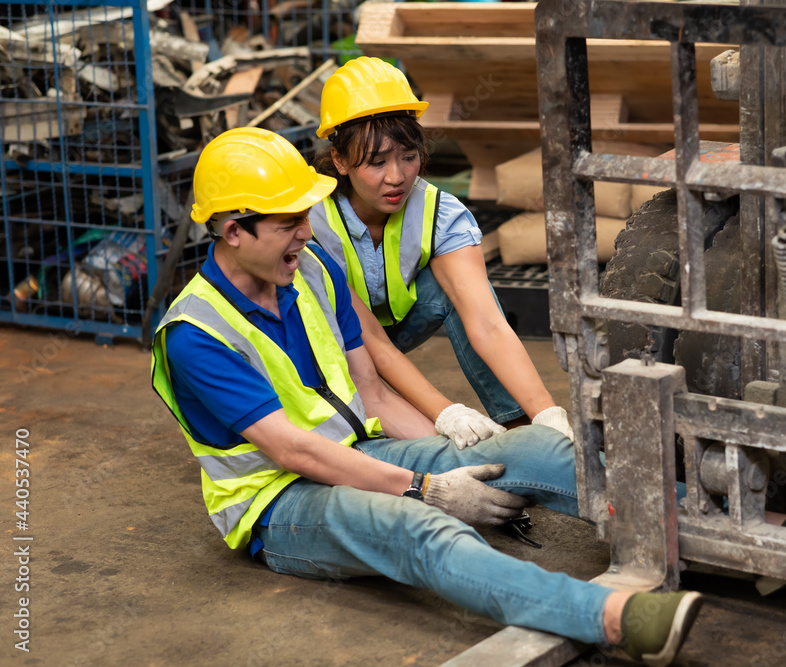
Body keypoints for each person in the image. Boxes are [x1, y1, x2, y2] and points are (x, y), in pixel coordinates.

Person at [151, 127, 703, 665]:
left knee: (534, 449)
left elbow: (371, 392)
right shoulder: (196, 334)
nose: (305, 232)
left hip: (357, 453)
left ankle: (715, 522)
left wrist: (456, 451)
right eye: (289, 222)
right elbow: (295, 453)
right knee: (423, 528)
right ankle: (611, 617)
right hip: (278, 502)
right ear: (232, 231)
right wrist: (427, 489)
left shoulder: (312, 272)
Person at [308, 56, 573, 441]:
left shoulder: (439, 212)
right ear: (339, 159)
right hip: (336, 343)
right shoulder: (314, 224)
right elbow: (372, 344)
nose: (396, 177)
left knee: (457, 290)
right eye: (377, 162)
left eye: (408, 157)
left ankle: (521, 427)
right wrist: (445, 413)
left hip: (391, 331)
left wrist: (546, 412)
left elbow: (487, 323)